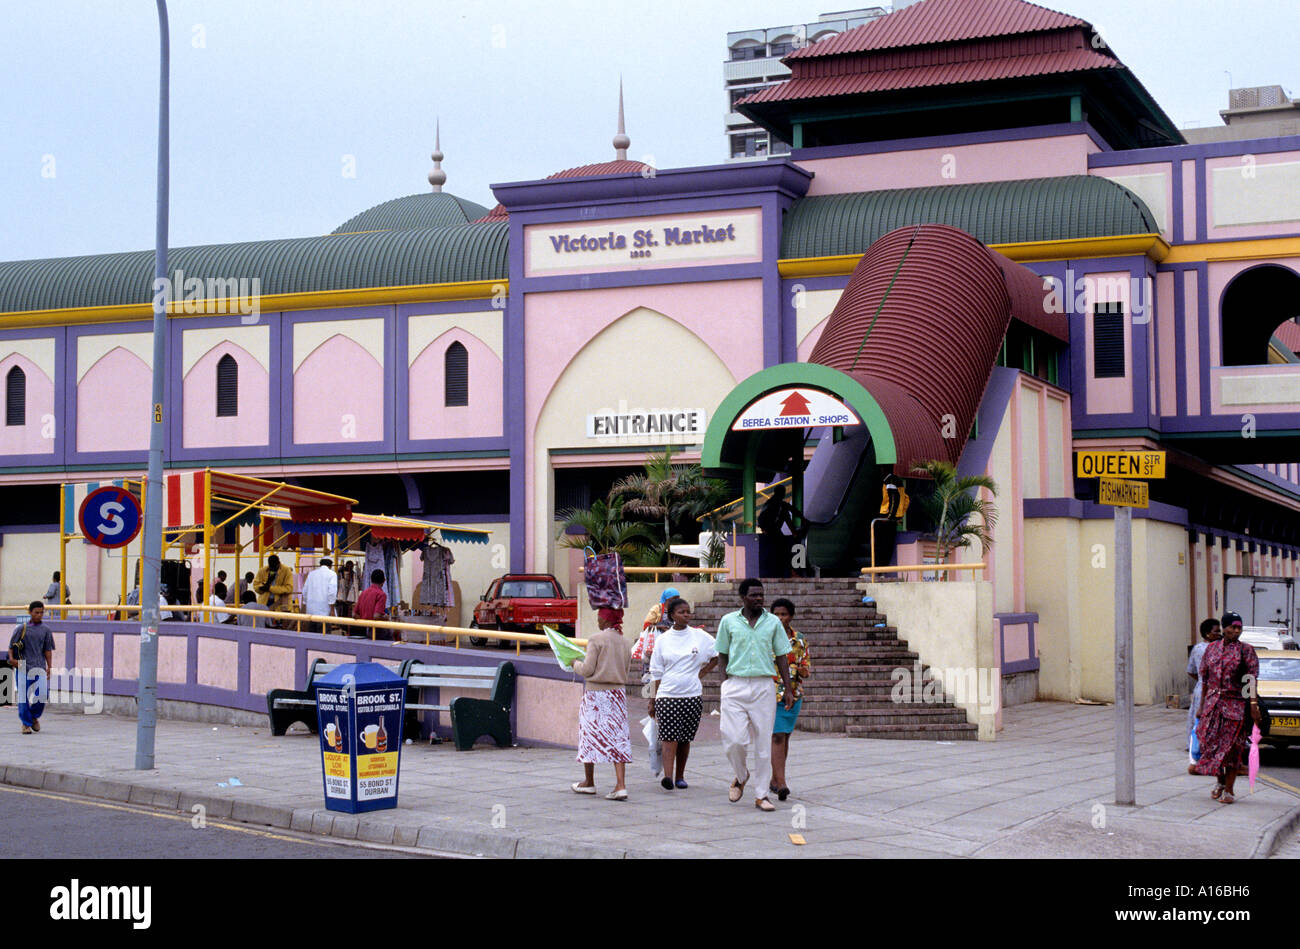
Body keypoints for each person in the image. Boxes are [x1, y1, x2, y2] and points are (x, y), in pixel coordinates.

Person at [716, 578, 793, 811]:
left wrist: (788, 688)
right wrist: (724, 684)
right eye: (754, 595)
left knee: (763, 742)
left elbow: (781, 656)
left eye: (761, 595)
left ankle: (761, 795)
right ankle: (741, 775)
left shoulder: (772, 623)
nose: (759, 598)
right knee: (733, 740)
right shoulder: (728, 621)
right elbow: (722, 654)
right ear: (743, 597)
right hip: (735, 685)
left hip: (763, 686)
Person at [648, 597, 718, 790]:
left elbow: (717, 653)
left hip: (692, 695)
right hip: (667, 695)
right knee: (669, 738)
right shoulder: (663, 640)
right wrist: (652, 700)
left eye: (688, 612)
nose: (686, 615)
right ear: (672, 615)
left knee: (685, 738)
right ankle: (668, 777)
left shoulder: (700, 636)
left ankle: (680, 776)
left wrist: (702, 672)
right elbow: (656, 672)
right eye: (681, 612)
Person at [1193, 611, 1261, 804]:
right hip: (1213, 706)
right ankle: (1220, 782)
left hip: (1235, 706)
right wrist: (1202, 705)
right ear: (1224, 627)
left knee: (1232, 749)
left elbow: (1251, 680)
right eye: (1232, 627)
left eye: (1239, 627)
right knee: (1211, 746)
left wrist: (1253, 706)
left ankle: (1229, 790)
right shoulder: (1211, 649)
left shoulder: (1245, 651)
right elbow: (1204, 679)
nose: (1236, 630)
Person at [569, 607, 633, 800]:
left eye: (599, 618)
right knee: (618, 737)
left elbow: (587, 669)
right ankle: (620, 785)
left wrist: (573, 663)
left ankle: (589, 782)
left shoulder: (596, 639)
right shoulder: (625, 642)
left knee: (590, 736)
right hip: (618, 695)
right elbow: (627, 669)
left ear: (605, 620)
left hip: (596, 694)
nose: (597, 621)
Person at [769, 597, 812, 801]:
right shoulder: (765, 637)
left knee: (784, 737)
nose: (780, 618)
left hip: (793, 694)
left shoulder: (800, 639)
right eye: (776, 614)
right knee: (777, 736)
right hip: (770, 693)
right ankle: (782, 783)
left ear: (791, 616)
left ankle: (775, 779)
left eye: (783, 614)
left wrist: (803, 670)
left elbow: (806, 666)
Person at [9, 602, 55, 734]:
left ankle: (34, 716)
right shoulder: (21, 629)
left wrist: (49, 666)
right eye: (36, 612)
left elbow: (48, 650)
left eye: (41, 612)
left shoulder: (46, 630)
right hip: (23, 666)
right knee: (23, 697)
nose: (39, 615)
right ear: (30, 612)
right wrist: (12, 659)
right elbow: (11, 646)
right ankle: (26, 724)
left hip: (39, 666)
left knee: (42, 694)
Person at [1187, 617, 1221, 771]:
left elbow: (1191, 671)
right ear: (1207, 634)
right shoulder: (1215, 648)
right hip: (1211, 687)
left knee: (1198, 720)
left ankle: (1195, 746)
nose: (1219, 633)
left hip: (1200, 686)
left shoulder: (1196, 648)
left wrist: (1201, 680)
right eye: (1216, 631)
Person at [631, 587, 680, 667]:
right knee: (654, 664)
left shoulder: (677, 610)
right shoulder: (657, 609)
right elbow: (647, 625)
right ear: (667, 598)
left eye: (678, 598)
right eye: (674, 598)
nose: (677, 601)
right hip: (656, 642)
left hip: (671, 641)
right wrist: (660, 627)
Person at [253, 555, 295, 622]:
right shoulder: (263, 570)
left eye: (274, 568)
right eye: (271, 567)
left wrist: (270, 588)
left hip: (281, 603)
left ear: (278, 564)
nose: (272, 569)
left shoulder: (286, 571)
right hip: (265, 603)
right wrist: (263, 587)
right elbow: (256, 585)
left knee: (281, 626)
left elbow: (289, 588)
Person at [302, 558, 338, 634]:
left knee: (312, 636)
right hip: (324, 612)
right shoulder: (332, 574)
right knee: (324, 637)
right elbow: (332, 592)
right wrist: (332, 610)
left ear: (320, 564)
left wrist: (305, 605)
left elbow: (305, 591)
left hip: (311, 612)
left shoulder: (311, 574)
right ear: (330, 566)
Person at [353, 569, 388, 639]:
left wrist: (365, 621)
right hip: (377, 630)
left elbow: (354, 614)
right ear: (384, 580)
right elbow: (376, 616)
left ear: (371, 580)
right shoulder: (381, 594)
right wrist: (386, 618)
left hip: (366, 630)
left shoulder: (363, 593)